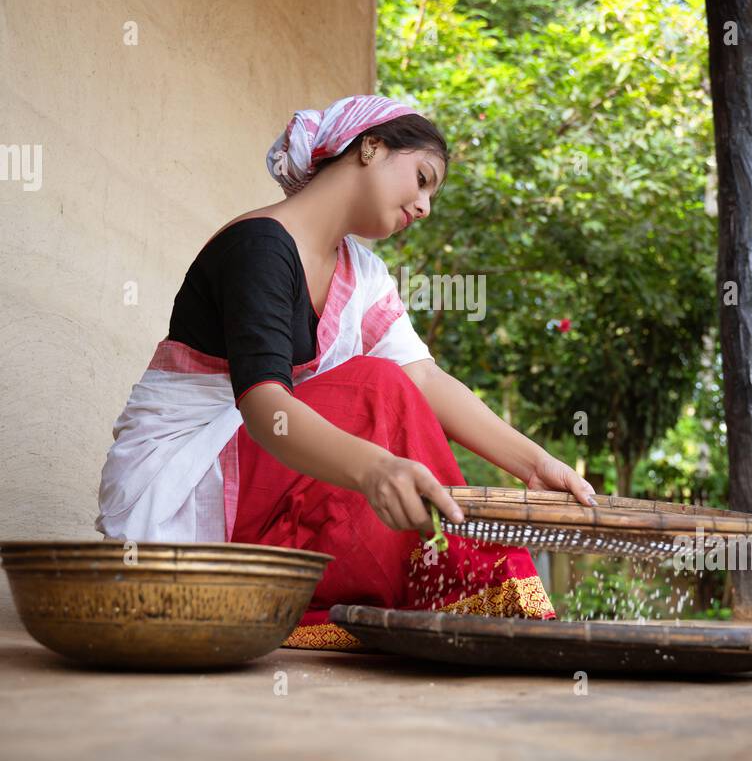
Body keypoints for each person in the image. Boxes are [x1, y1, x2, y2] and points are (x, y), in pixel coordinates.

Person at [95, 94, 597, 650]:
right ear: (371, 146)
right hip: (183, 489)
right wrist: (375, 469)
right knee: (375, 392)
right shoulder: (260, 245)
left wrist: (536, 463)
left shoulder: (364, 273)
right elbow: (265, 411)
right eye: (423, 178)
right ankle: (486, 602)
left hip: (261, 489)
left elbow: (426, 381)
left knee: (387, 404)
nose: (425, 206)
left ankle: (436, 607)